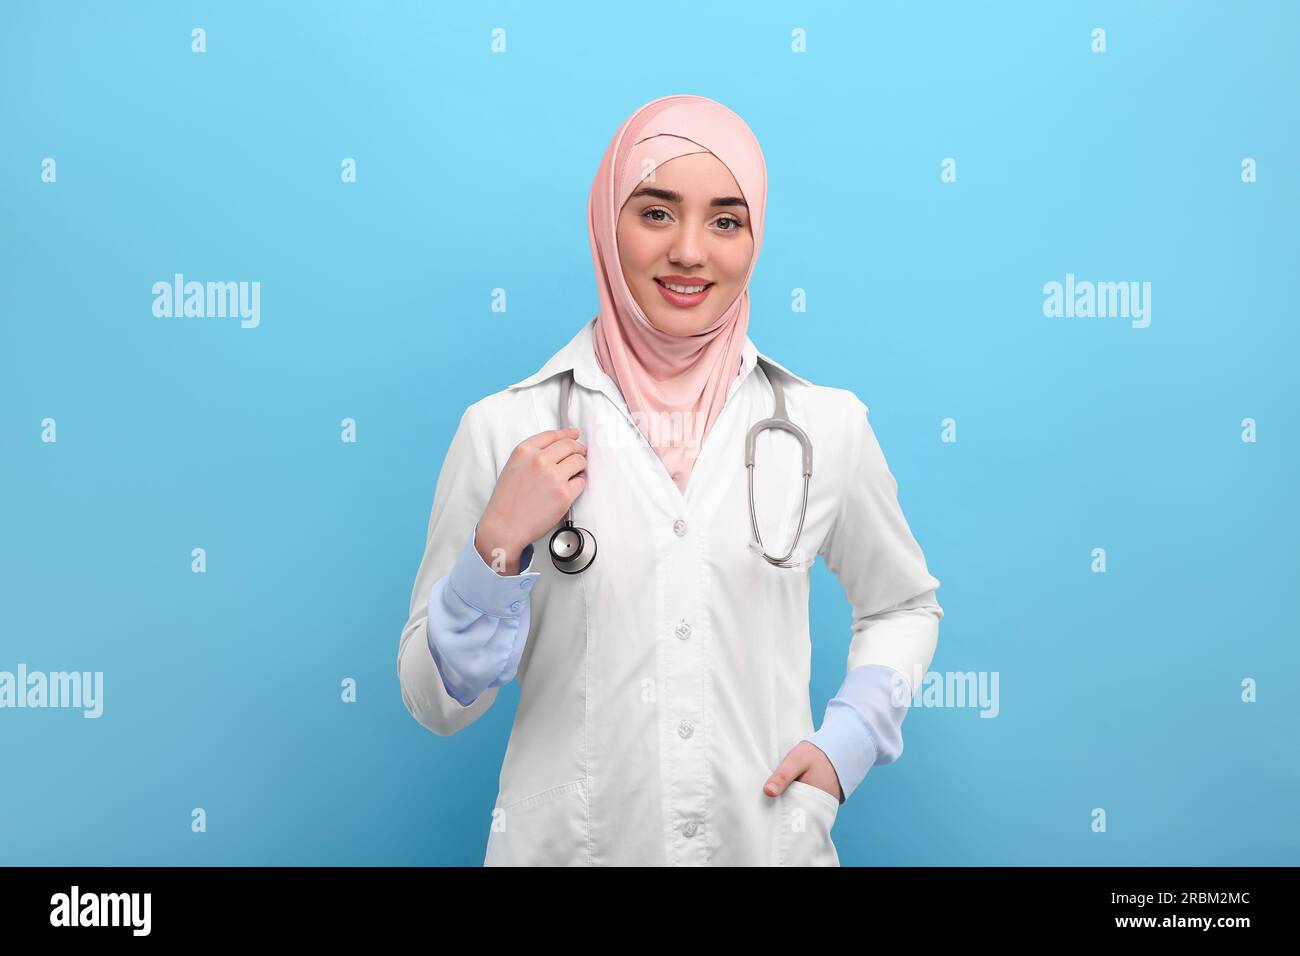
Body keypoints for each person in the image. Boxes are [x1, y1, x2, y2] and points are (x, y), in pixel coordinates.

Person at [396, 94, 943, 866]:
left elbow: (904, 605)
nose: (690, 252)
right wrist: (494, 553)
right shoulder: (504, 430)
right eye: (655, 213)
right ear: (604, 223)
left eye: (726, 220)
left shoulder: (826, 427)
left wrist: (851, 739)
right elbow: (434, 704)